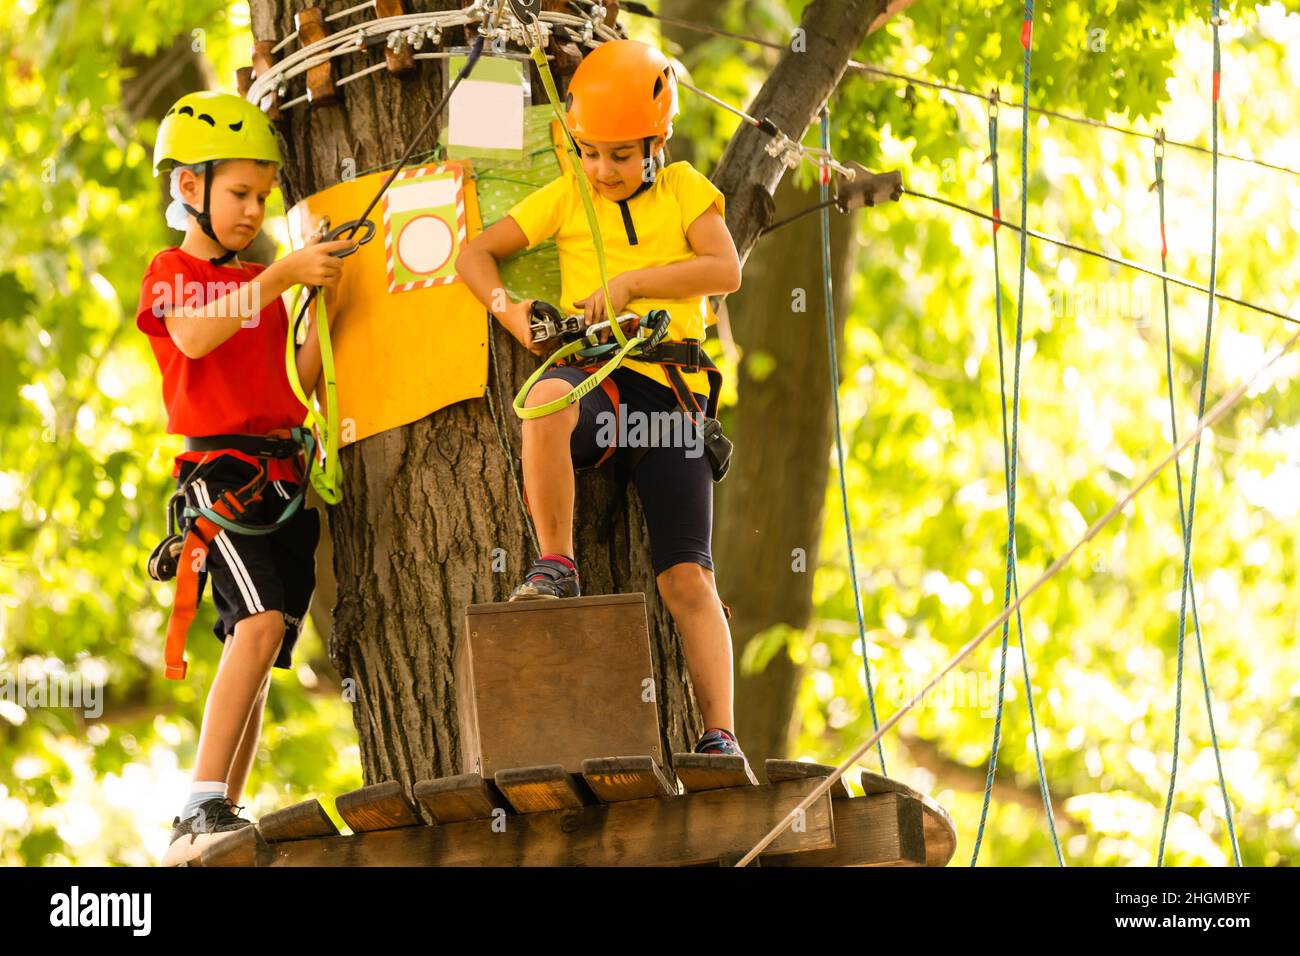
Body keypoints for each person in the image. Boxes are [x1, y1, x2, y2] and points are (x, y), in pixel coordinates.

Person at [456, 40, 746, 759]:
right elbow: (473, 251)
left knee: (688, 576)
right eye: (590, 152)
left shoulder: (684, 189)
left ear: (656, 143)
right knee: (546, 399)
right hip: (601, 381)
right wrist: (508, 309)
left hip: (668, 395)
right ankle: (557, 561)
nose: (603, 170)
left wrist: (632, 285)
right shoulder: (568, 194)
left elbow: (725, 269)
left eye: (621, 155)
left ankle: (720, 736)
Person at [135, 91, 352, 865]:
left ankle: (223, 808)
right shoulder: (174, 273)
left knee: (261, 646)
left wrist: (330, 310)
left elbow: (290, 386)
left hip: (283, 475)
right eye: (238, 193)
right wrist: (284, 272)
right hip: (219, 475)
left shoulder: (260, 281)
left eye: (262, 197)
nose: (253, 210)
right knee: (256, 625)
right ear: (188, 188)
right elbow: (194, 335)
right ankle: (198, 805)